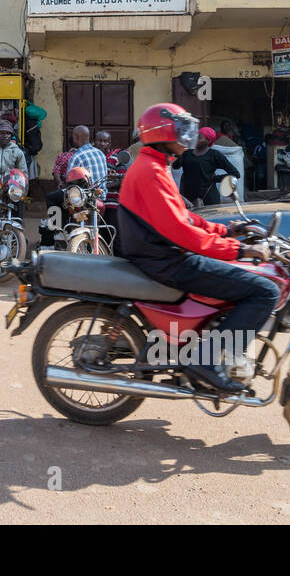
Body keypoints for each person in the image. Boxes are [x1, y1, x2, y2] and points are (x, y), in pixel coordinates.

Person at [117, 103, 275, 393]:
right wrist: (239, 251)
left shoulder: (155, 166)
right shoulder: (151, 171)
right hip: (168, 261)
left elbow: (184, 218)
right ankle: (206, 361)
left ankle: (209, 350)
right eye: (182, 130)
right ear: (164, 133)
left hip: (163, 255)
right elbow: (182, 233)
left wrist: (228, 230)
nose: (187, 137)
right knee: (265, 291)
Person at [170, 126, 240, 206]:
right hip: (187, 197)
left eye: (199, 137)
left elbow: (235, 174)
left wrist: (214, 178)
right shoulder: (187, 153)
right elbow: (175, 166)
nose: (195, 138)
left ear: (208, 141)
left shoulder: (214, 155)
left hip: (208, 197)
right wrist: (179, 152)